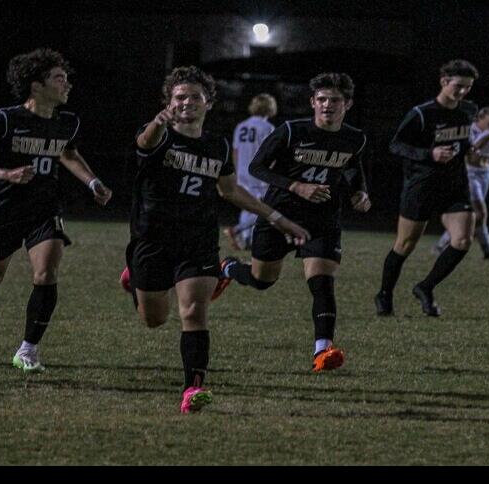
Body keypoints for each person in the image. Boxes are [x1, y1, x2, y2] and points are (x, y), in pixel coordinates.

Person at [122, 66, 309, 413]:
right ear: (169, 102)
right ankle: (133, 277)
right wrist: (158, 122)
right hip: (153, 239)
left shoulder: (217, 145)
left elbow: (230, 190)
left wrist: (278, 219)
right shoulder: (160, 136)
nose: (187, 102)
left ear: (208, 103)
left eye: (195, 97)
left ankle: (192, 388)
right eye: (180, 97)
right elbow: (143, 143)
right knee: (154, 319)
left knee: (193, 311)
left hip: (197, 239)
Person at [0, 48, 112, 372]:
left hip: (45, 208)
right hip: (4, 210)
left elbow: (68, 154)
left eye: (66, 78)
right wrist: (5, 174)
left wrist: (92, 182)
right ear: (36, 86)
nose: (67, 84)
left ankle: (28, 350)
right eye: (59, 78)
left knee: (46, 273)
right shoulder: (6, 119)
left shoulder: (68, 122)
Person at [221, 73, 371, 372]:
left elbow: (353, 166)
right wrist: (296, 186)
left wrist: (360, 192)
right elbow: (257, 167)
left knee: (322, 282)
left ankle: (322, 351)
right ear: (313, 102)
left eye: (335, 100)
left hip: (323, 218)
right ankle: (228, 267)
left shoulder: (356, 138)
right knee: (262, 281)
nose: (328, 105)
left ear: (348, 104)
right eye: (323, 99)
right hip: (280, 216)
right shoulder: (291, 131)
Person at [375, 59, 480, 317]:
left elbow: (463, 141)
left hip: (455, 186)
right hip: (422, 186)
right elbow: (396, 145)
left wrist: (470, 150)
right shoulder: (422, 113)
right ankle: (385, 293)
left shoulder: (468, 110)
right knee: (405, 244)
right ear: (444, 82)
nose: (463, 92)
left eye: (468, 87)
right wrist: (429, 154)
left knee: (463, 240)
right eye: (458, 86)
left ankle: (425, 287)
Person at [432, 106, 489, 259]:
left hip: (486, 172)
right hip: (469, 172)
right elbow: (471, 149)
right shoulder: (469, 130)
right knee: (481, 211)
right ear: (481, 118)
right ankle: (487, 250)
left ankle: (442, 245)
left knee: (474, 215)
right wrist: (487, 136)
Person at [224, 93, 277, 250]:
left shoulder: (241, 126)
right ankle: (237, 231)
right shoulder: (267, 128)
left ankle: (246, 240)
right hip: (259, 173)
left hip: (242, 171)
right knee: (264, 208)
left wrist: (237, 170)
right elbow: (271, 153)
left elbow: (235, 151)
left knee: (247, 205)